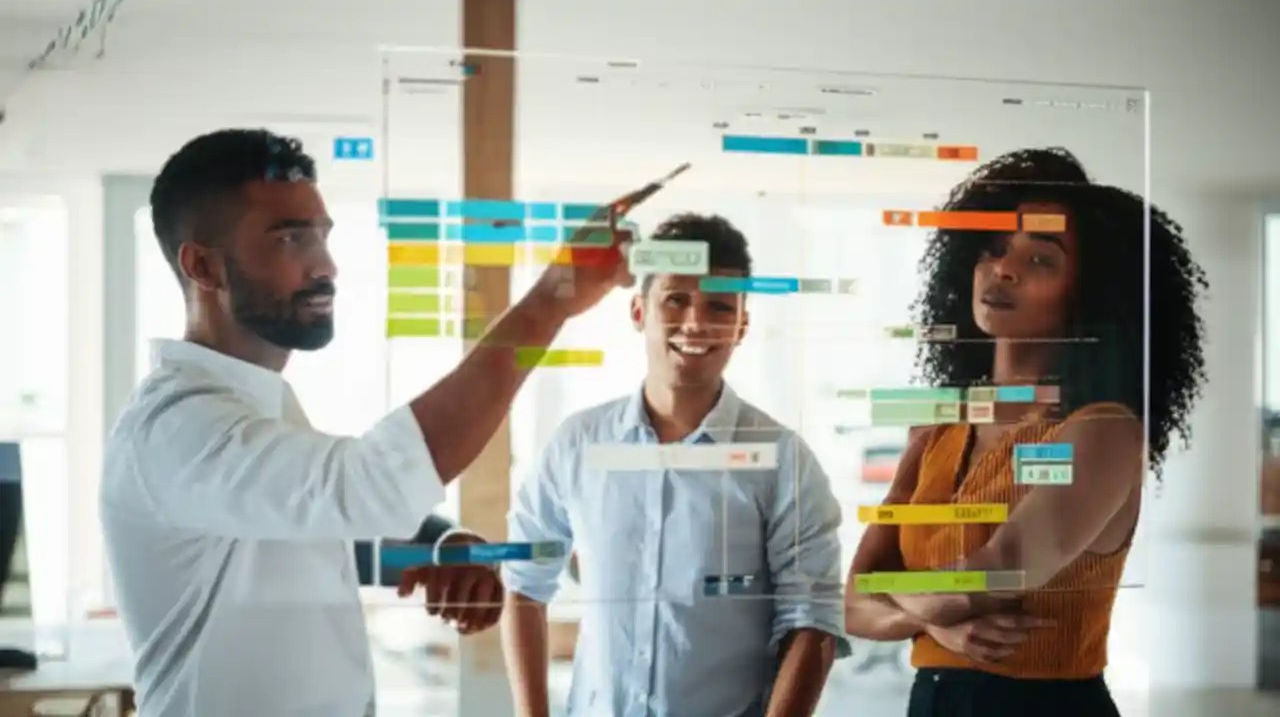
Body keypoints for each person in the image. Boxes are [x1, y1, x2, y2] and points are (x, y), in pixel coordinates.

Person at [99, 128, 634, 716]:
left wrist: (435, 543)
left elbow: (302, 527)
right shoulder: (180, 426)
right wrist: (552, 299)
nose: (324, 265)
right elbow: (367, 483)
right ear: (203, 265)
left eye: (322, 237)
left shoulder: (255, 406)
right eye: (289, 240)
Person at [843, 147, 1208, 716]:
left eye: (1041, 259)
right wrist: (941, 629)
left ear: (1090, 295)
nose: (1003, 268)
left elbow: (995, 571)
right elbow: (852, 603)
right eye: (993, 249)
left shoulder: (1102, 432)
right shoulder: (934, 430)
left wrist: (905, 601)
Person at [501, 213, 848, 717]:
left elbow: (811, 621)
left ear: (742, 324)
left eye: (719, 306)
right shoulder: (576, 444)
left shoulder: (784, 460)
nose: (695, 323)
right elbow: (524, 585)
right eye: (676, 299)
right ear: (639, 310)